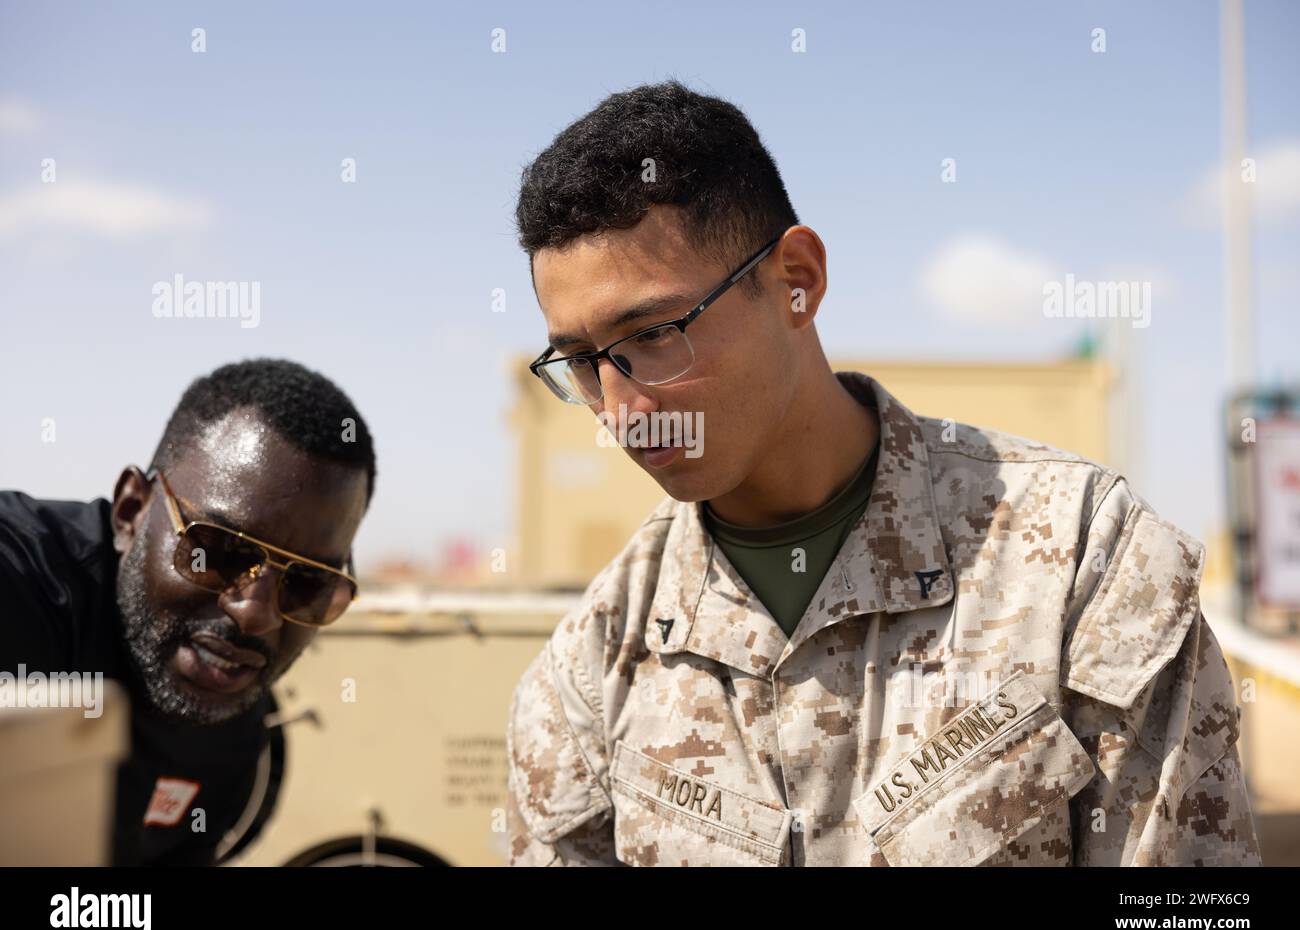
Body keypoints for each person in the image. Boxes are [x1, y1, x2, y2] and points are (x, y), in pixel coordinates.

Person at [504, 80, 1261, 866]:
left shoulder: (1081, 561)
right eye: (582, 364)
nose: (620, 409)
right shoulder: (591, 669)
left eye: (657, 333)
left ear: (796, 278)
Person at [0, 358, 375, 865]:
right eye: (217, 553)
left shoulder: (234, 732)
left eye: (308, 583)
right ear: (131, 512)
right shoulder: (20, 586)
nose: (255, 614)